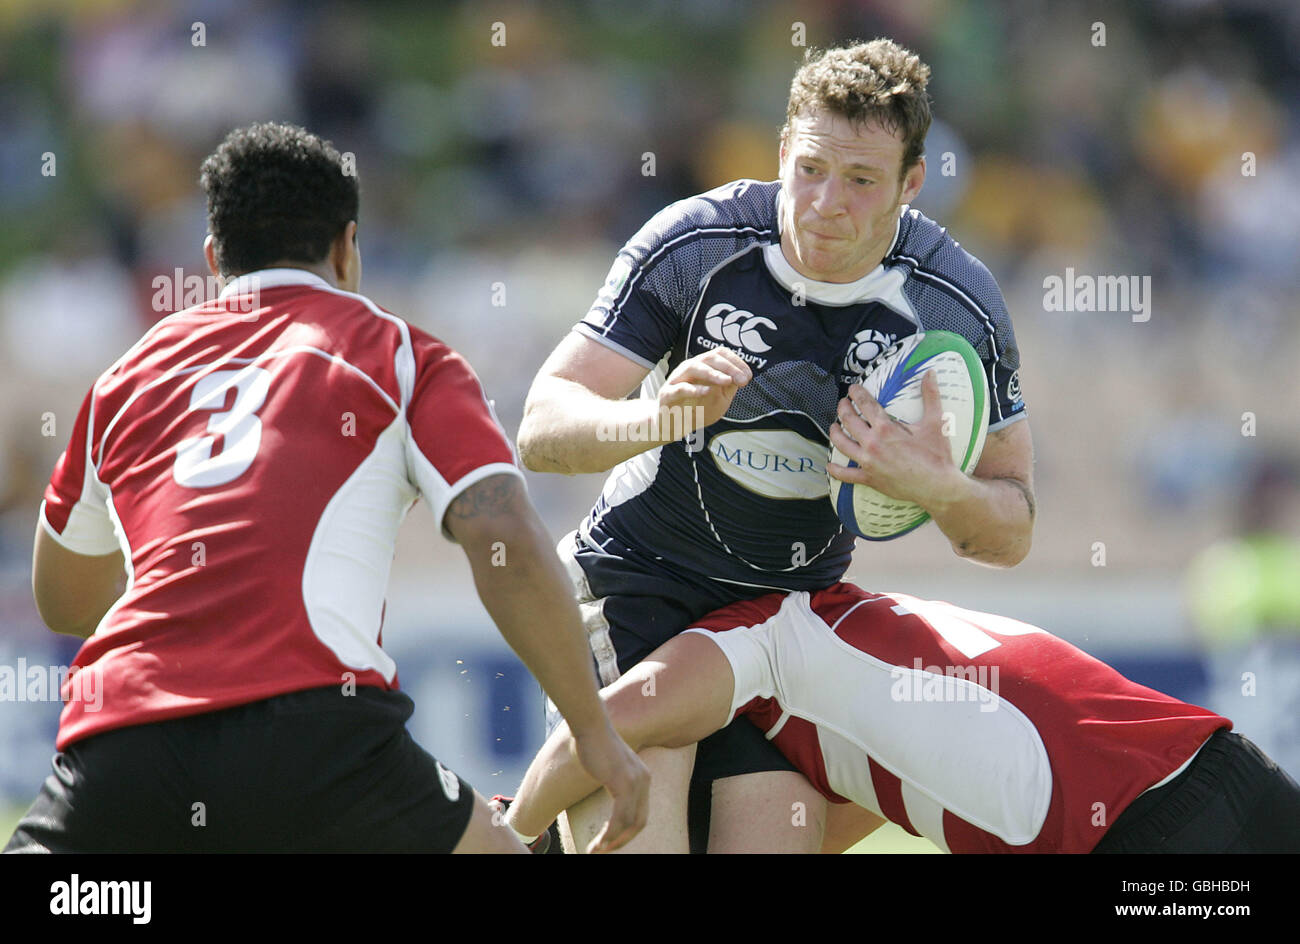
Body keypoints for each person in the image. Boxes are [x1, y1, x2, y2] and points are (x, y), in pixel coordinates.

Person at [4, 122, 648, 854]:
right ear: (347, 248)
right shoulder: (399, 353)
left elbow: (64, 602)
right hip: (315, 736)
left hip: (120, 742)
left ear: (215, 260)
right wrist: (591, 733)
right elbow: (503, 537)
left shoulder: (124, 380)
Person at [517, 39, 1035, 852]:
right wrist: (652, 420)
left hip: (783, 629)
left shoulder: (954, 302)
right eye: (811, 169)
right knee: (641, 831)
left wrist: (934, 483)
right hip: (636, 589)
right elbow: (542, 429)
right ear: (782, 153)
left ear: (911, 184)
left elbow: (1008, 529)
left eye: (862, 181)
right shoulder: (695, 245)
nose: (828, 202)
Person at [505, 582, 1300, 854]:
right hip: (1219, 787)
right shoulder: (844, 663)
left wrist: (517, 830)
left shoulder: (756, 640)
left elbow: (603, 730)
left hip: (1164, 828)